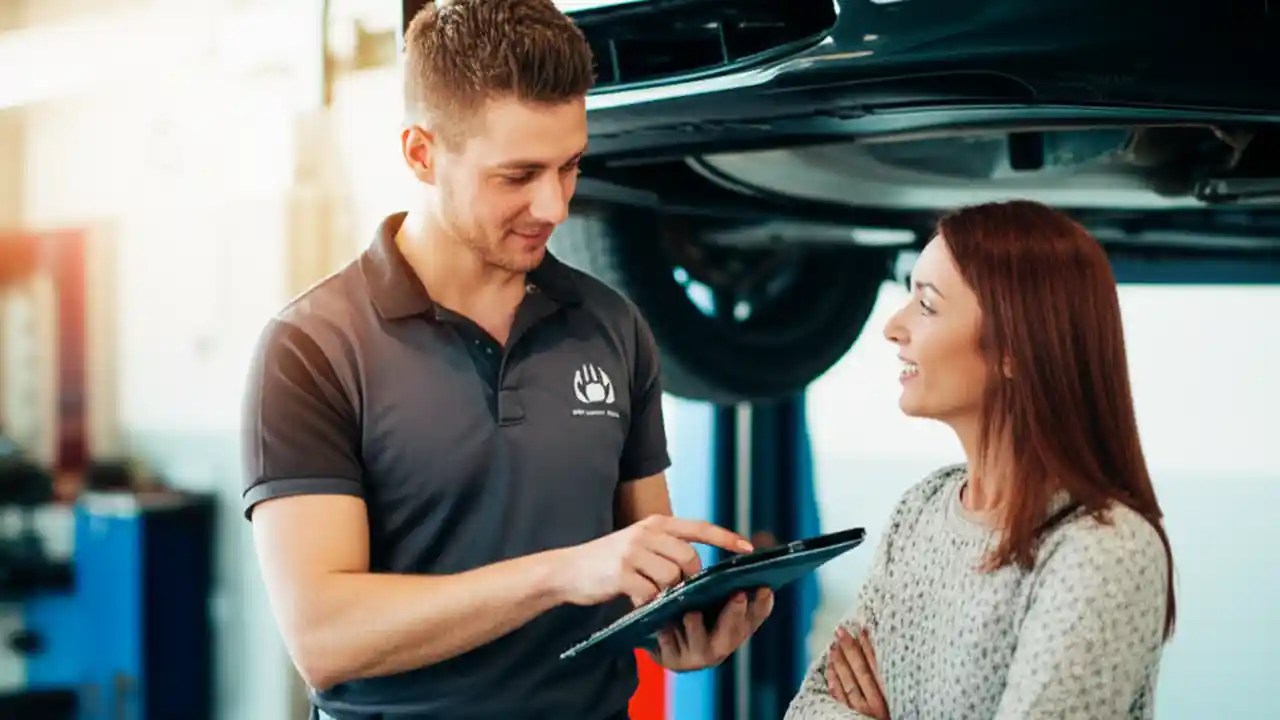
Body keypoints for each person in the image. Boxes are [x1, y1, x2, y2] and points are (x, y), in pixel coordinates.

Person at [240, 1, 773, 718]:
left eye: (570, 166)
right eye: (517, 175)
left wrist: (680, 627)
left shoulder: (612, 328)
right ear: (421, 154)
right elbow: (326, 638)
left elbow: (633, 579)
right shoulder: (311, 350)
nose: (553, 206)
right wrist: (561, 573)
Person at [784, 200, 1177, 720]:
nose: (893, 328)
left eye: (925, 305)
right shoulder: (921, 510)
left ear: (1015, 345)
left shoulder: (1104, 550)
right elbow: (809, 708)